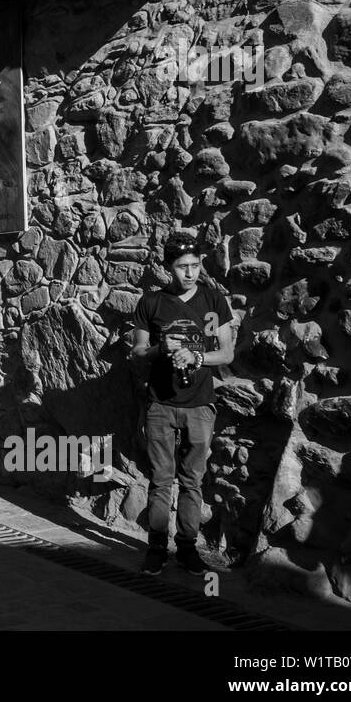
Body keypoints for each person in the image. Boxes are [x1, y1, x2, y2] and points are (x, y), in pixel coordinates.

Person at [131, 231, 234, 575]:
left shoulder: (214, 301)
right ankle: (157, 546)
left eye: (195, 265)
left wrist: (197, 356)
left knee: (192, 480)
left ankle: (188, 547)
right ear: (168, 268)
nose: (190, 273)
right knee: (161, 479)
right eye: (181, 267)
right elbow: (138, 351)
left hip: (200, 404)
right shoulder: (151, 303)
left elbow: (228, 352)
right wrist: (163, 348)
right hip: (161, 403)